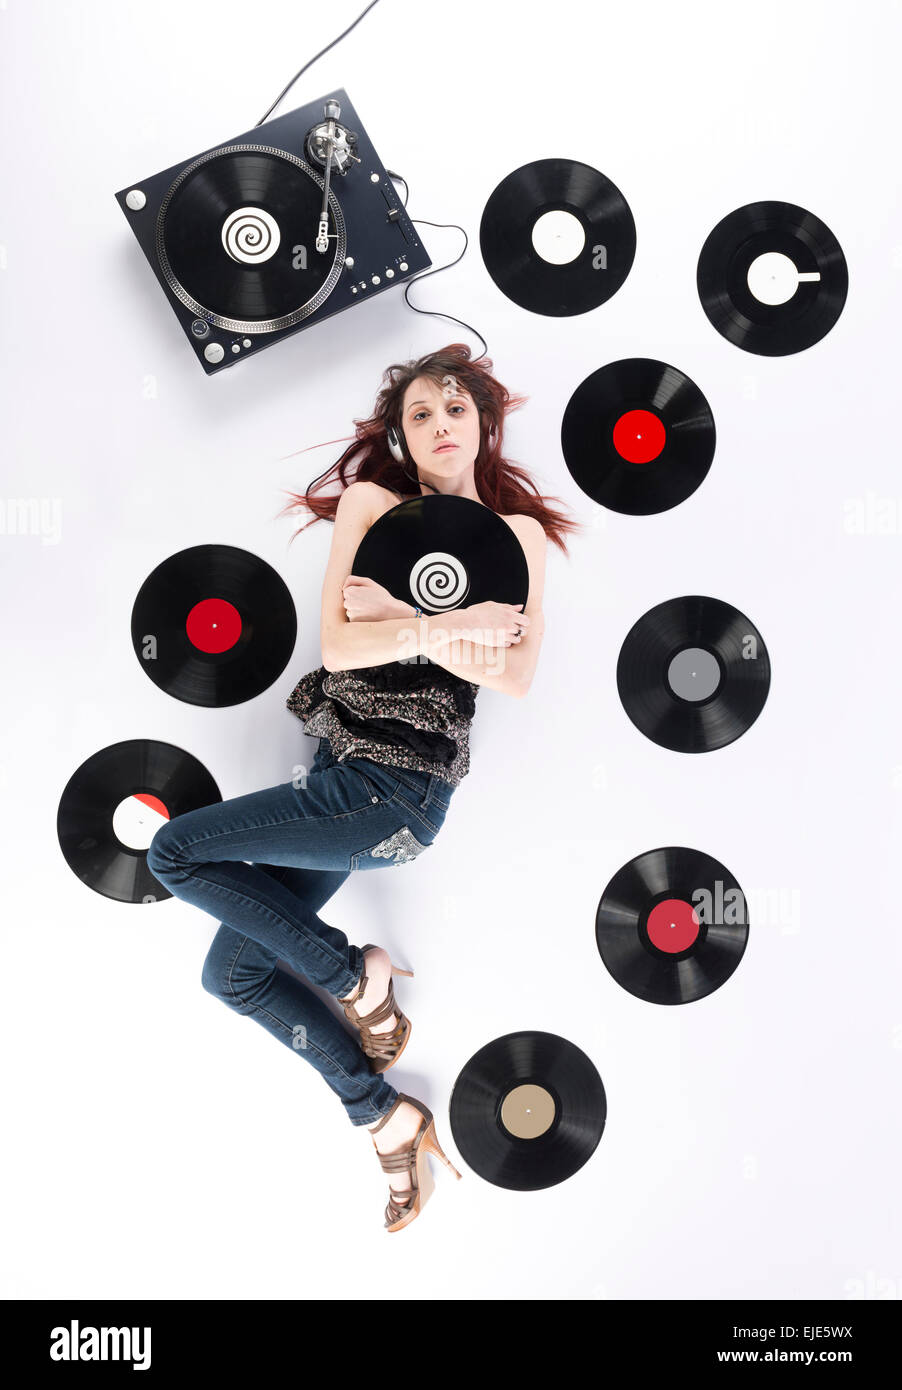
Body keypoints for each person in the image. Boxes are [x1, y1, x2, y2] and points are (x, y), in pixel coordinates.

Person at [147, 343, 579, 1231]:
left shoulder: (517, 538)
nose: (440, 424)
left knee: (173, 850)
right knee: (232, 977)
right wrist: (456, 625)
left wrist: (400, 619)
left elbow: (516, 675)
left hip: (401, 798)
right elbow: (342, 648)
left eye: (456, 410)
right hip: (339, 779)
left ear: (484, 425)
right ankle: (381, 1111)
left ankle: (354, 978)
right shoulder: (373, 508)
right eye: (421, 414)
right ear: (401, 435)